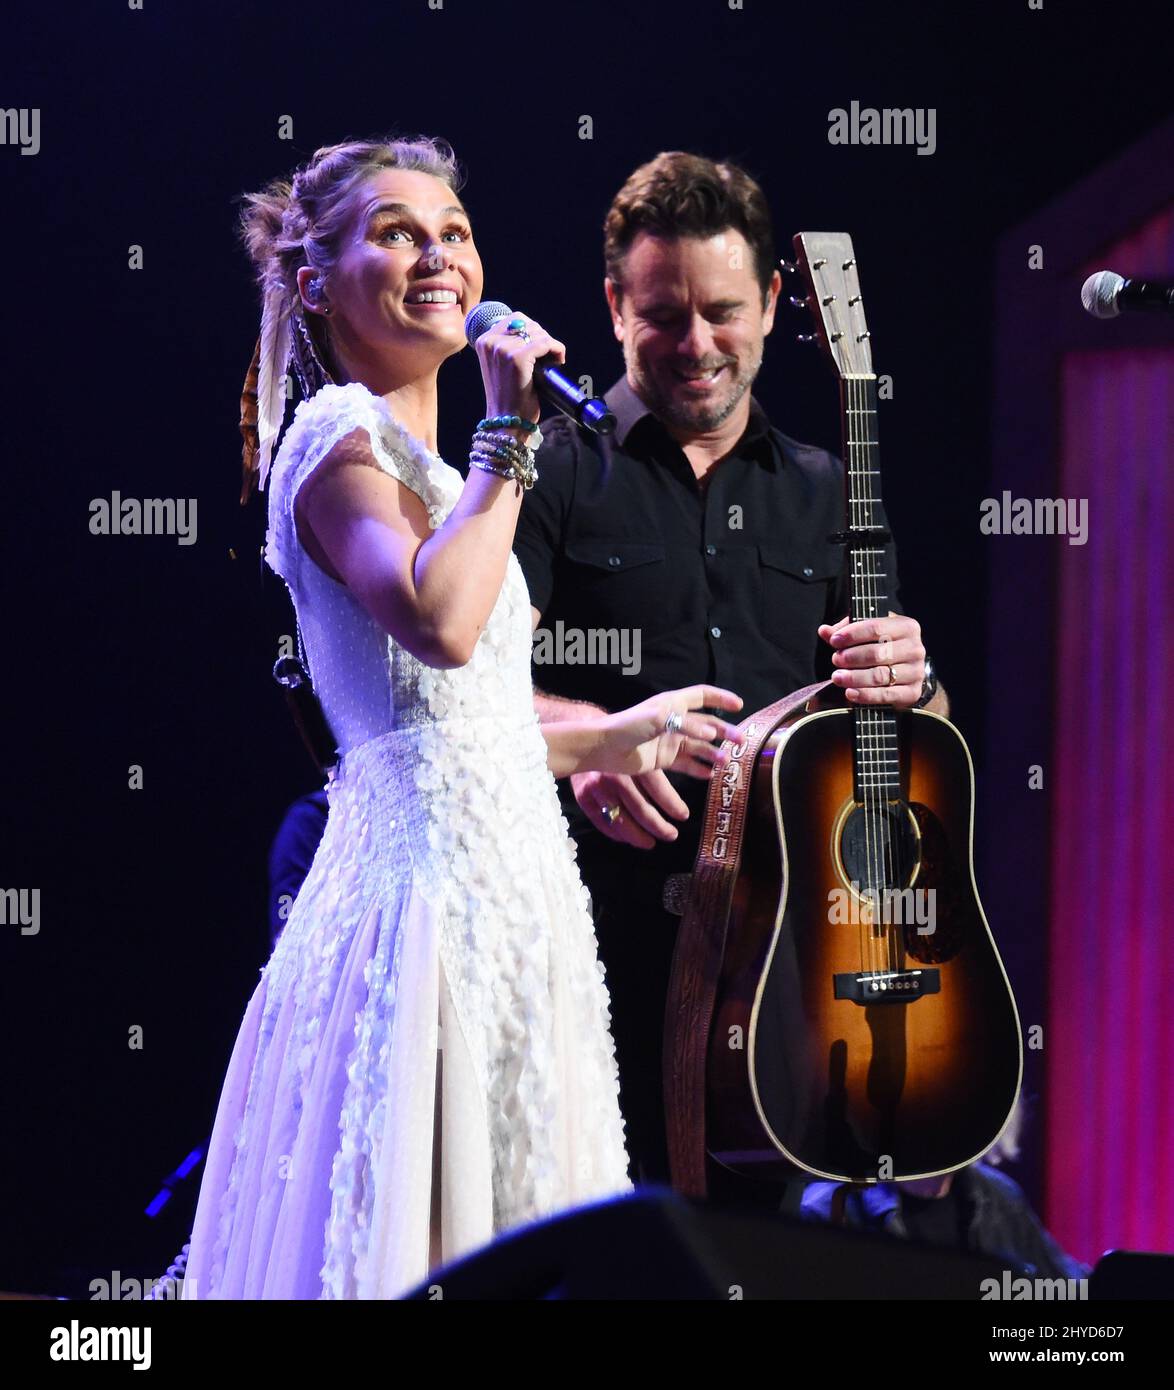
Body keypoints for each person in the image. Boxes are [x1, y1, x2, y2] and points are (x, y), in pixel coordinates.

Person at [182, 135, 743, 1300]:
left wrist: (609, 732)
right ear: (312, 281)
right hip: (422, 911)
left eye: (451, 231)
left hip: (514, 901)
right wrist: (511, 434)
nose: (436, 254)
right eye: (395, 232)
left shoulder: (441, 474)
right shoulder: (337, 438)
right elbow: (435, 622)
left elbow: (460, 716)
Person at [513, 151, 947, 1199]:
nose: (696, 345)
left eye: (722, 310)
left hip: (782, 964)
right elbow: (459, 690)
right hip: (590, 939)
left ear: (771, 302)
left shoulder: (826, 487)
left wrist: (918, 686)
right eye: (662, 313)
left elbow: (895, 745)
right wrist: (586, 740)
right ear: (615, 305)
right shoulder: (546, 468)